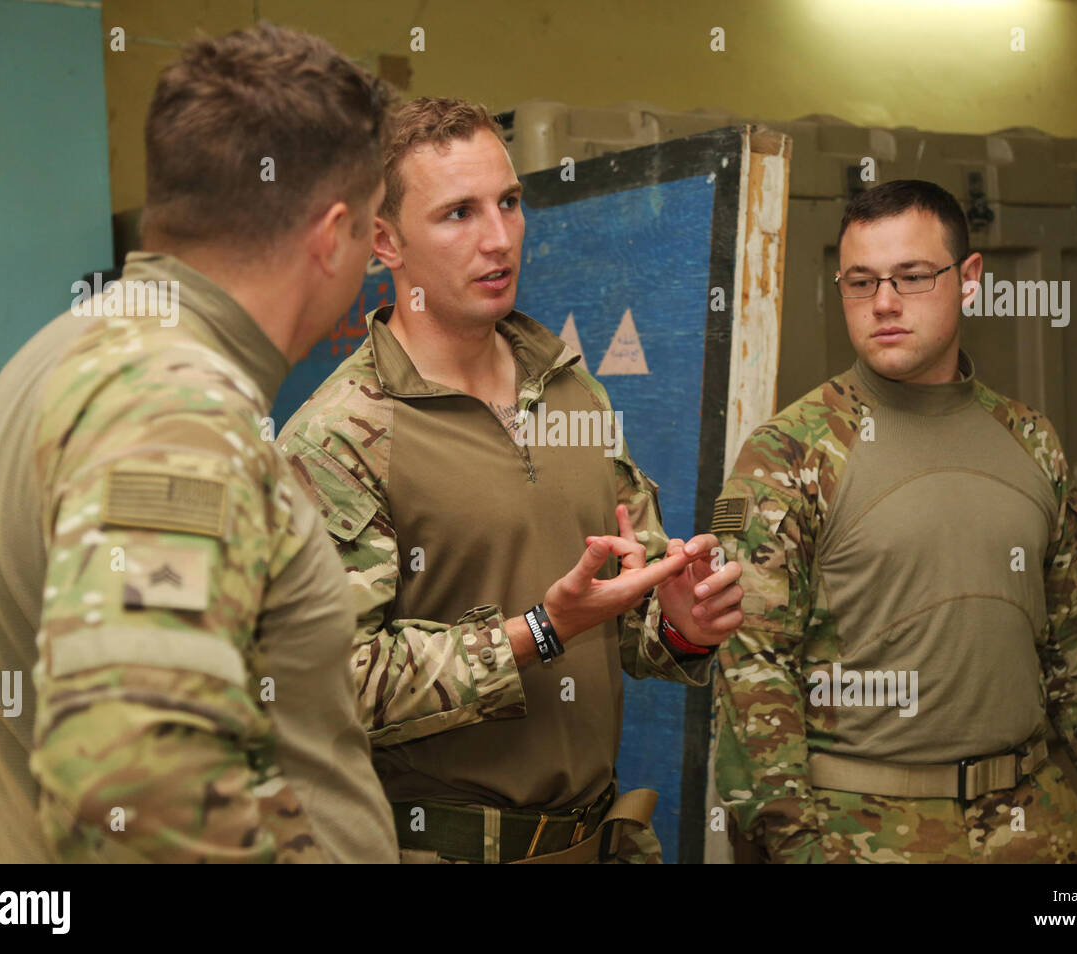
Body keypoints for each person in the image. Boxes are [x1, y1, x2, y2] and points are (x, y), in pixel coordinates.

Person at [0, 23, 398, 863]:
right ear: (332, 237)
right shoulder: (173, 405)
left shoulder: (60, 360)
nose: (371, 265)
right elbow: (133, 783)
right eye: (371, 232)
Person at [277, 97, 744, 864]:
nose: (499, 239)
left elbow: (631, 619)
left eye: (510, 203)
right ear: (384, 240)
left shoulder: (570, 389)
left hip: (599, 841)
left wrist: (680, 624)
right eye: (458, 213)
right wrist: (536, 634)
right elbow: (327, 690)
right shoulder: (339, 437)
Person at [713, 179, 1077, 863]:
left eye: (913, 277)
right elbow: (753, 679)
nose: (884, 303)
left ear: (969, 279)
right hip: (861, 836)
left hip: (1033, 830)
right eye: (861, 282)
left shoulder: (1029, 440)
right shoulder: (790, 452)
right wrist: (799, 849)